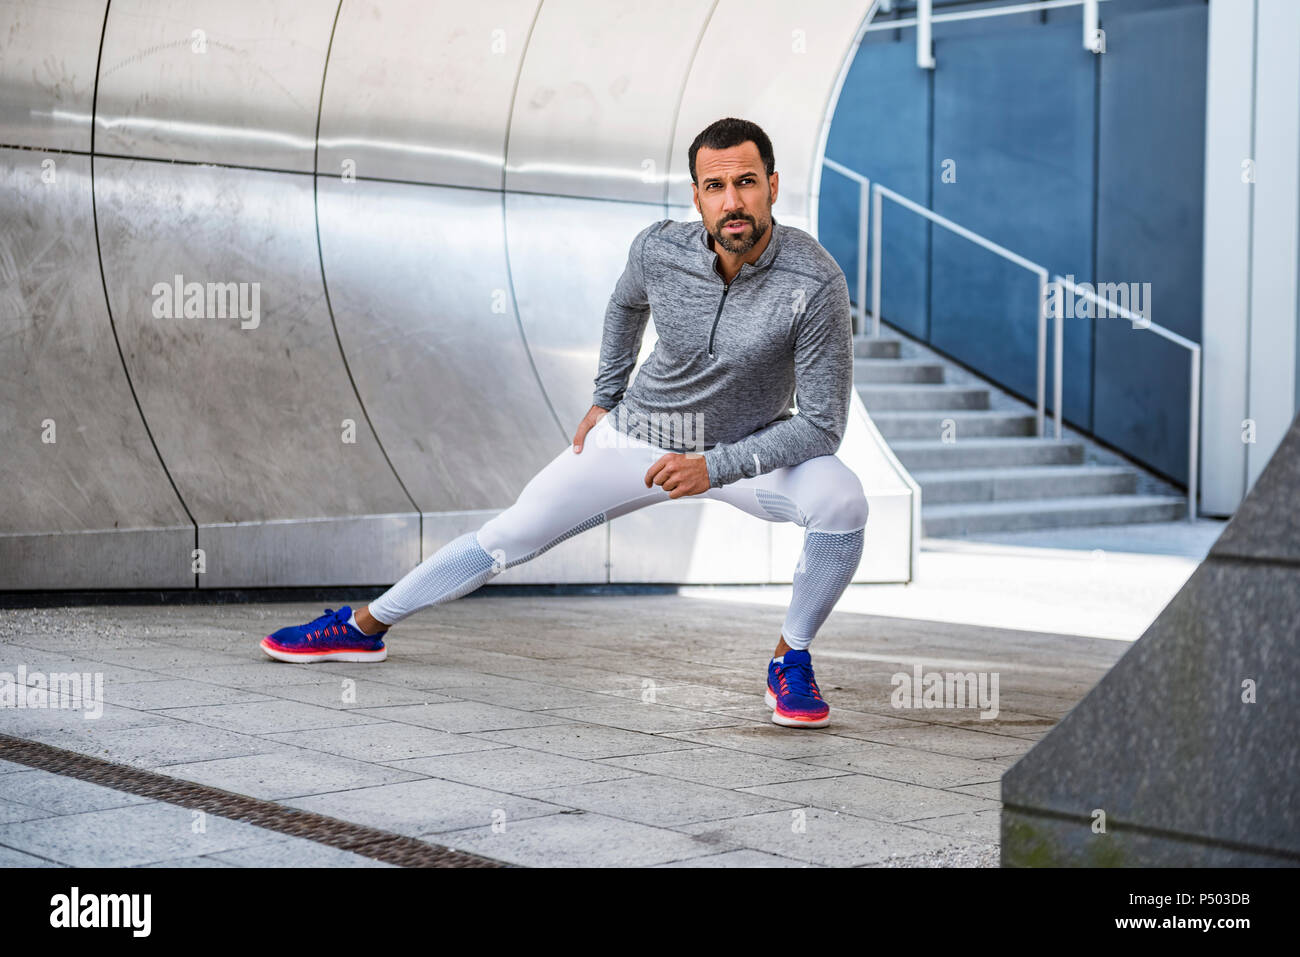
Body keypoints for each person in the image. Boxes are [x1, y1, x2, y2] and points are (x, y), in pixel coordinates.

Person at [260, 117, 868, 728]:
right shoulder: (659, 248)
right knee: (508, 537)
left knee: (841, 499)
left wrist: (714, 466)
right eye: (716, 187)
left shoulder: (814, 282)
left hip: (743, 449)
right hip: (639, 436)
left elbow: (820, 425)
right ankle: (363, 626)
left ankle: (791, 656)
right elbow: (625, 303)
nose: (732, 202)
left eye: (746, 182)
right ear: (696, 195)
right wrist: (605, 395)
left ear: (773, 185)